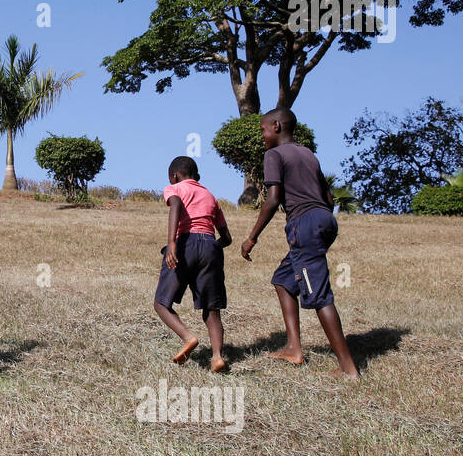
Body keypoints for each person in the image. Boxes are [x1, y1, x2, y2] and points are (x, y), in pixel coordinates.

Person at [241, 108, 359, 380]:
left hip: (303, 225)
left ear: (277, 125)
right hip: (325, 221)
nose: (262, 136)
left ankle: (348, 368)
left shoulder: (274, 155)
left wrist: (252, 237)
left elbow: (272, 199)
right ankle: (293, 347)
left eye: (263, 130)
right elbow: (328, 197)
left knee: (318, 295)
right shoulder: (308, 154)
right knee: (283, 280)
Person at [153, 156, 232, 372]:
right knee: (211, 308)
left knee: (161, 303)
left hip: (185, 244)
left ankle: (188, 337)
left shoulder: (174, 188)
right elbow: (226, 238)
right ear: (197, 176)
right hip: (210, 245)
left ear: (174, 176)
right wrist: (210, 248)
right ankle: (217, 357)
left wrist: (171, 243)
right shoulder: (210, 195)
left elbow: (176, 204)